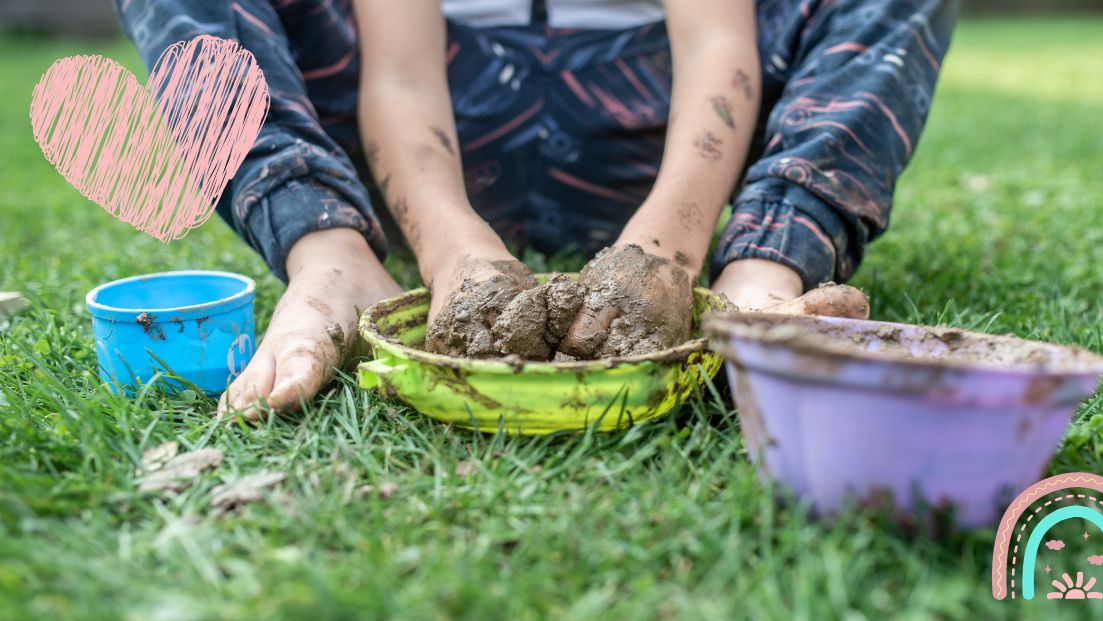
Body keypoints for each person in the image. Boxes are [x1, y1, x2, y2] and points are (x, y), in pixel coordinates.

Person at [115, 0, 956, 417]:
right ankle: (333, 254)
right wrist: (450, 253)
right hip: (447, 101)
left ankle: (758, 278)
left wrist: (665, 253)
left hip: (647, 106)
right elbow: (400, 73)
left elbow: (716, 40)